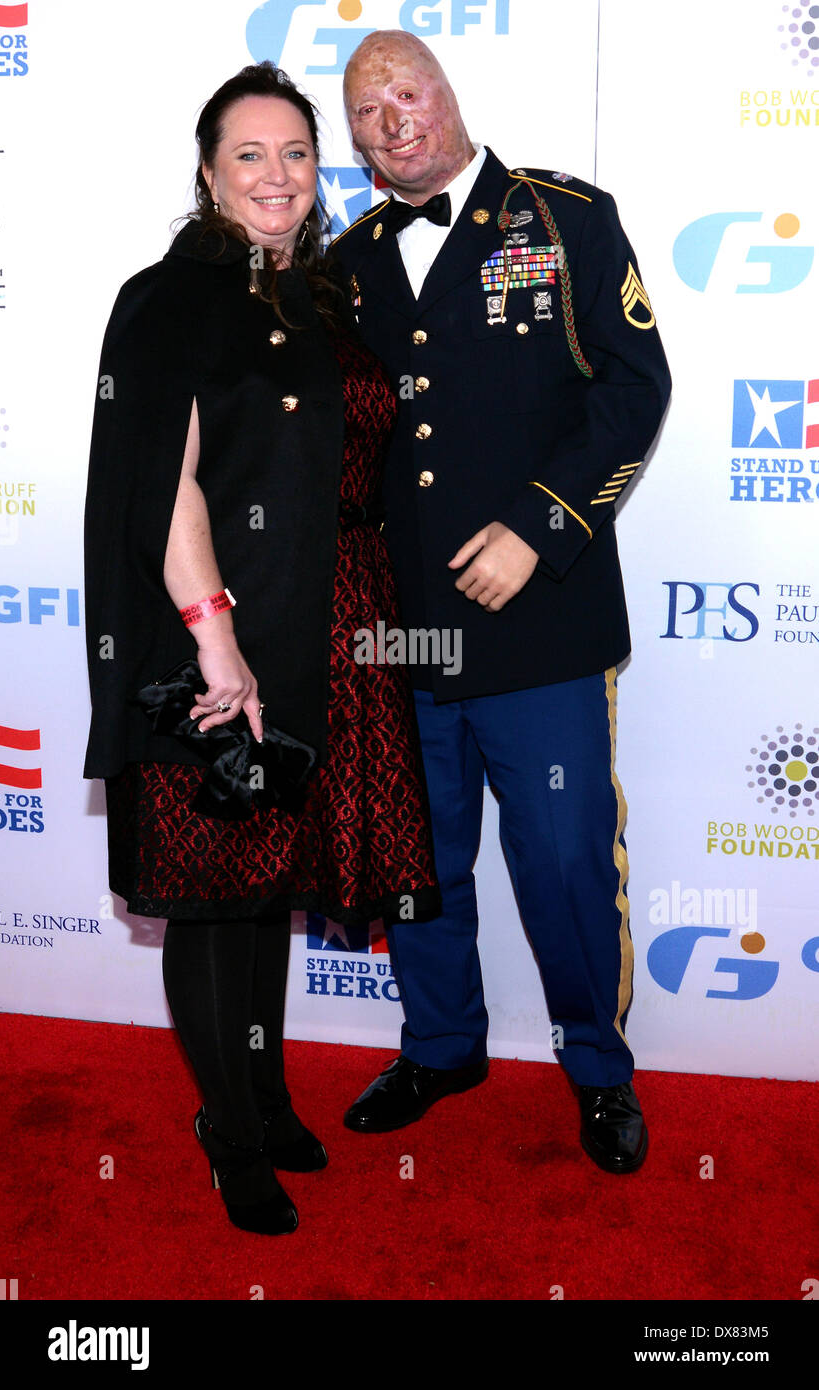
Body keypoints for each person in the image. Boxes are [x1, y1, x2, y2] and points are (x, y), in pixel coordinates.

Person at [82, 60, 440, 1235]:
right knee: (208, 897)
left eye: (296, 154)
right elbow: (168, 488)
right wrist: (215, 645)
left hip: (319, 629)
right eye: (250, 154)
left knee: (264, 889)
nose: (277, 175)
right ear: (206, 171)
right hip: (214, 636)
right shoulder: (173, 296)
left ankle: (267, 1096)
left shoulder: (319, 295)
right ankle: (227, 1130)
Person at [331, 31, 672, 1173]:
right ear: (358, 142)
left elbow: (634, 391)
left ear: (449, 92)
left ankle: (595, 1065)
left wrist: (541, 526)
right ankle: (438, 1044)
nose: (393, 117)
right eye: (367, 109)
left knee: (567, 862)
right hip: (404, 631)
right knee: (418, 861)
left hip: (543, 625)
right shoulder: (347, 262)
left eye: (407, 90)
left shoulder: (566, 219)